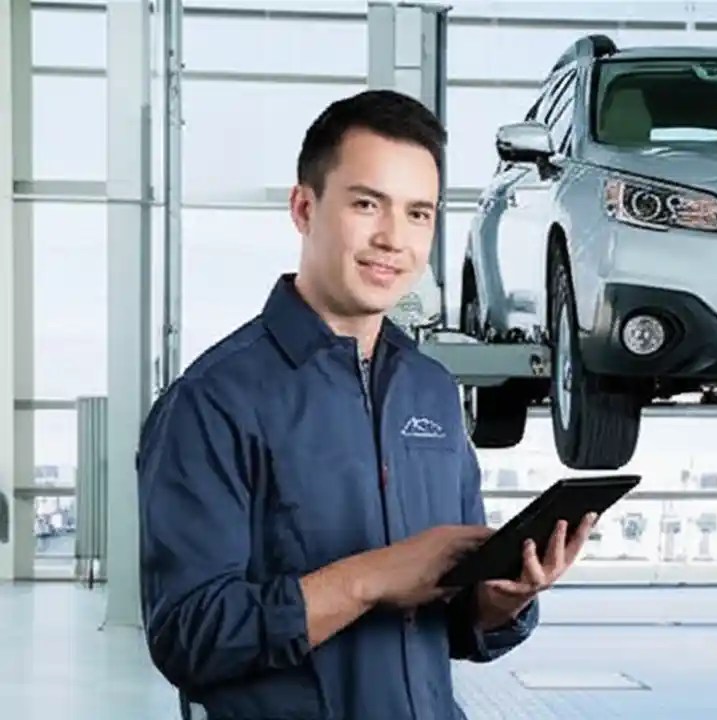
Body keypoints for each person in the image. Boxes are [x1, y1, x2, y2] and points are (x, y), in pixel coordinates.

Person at [136, 89, 594, 720]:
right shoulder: (212, 402)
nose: (393, 239)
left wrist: (501, 596)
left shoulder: (430, 388)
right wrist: (370, 578)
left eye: (418, 214)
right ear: (304, 207)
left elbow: (453, 621)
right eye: (365, 204)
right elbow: (189, 636)